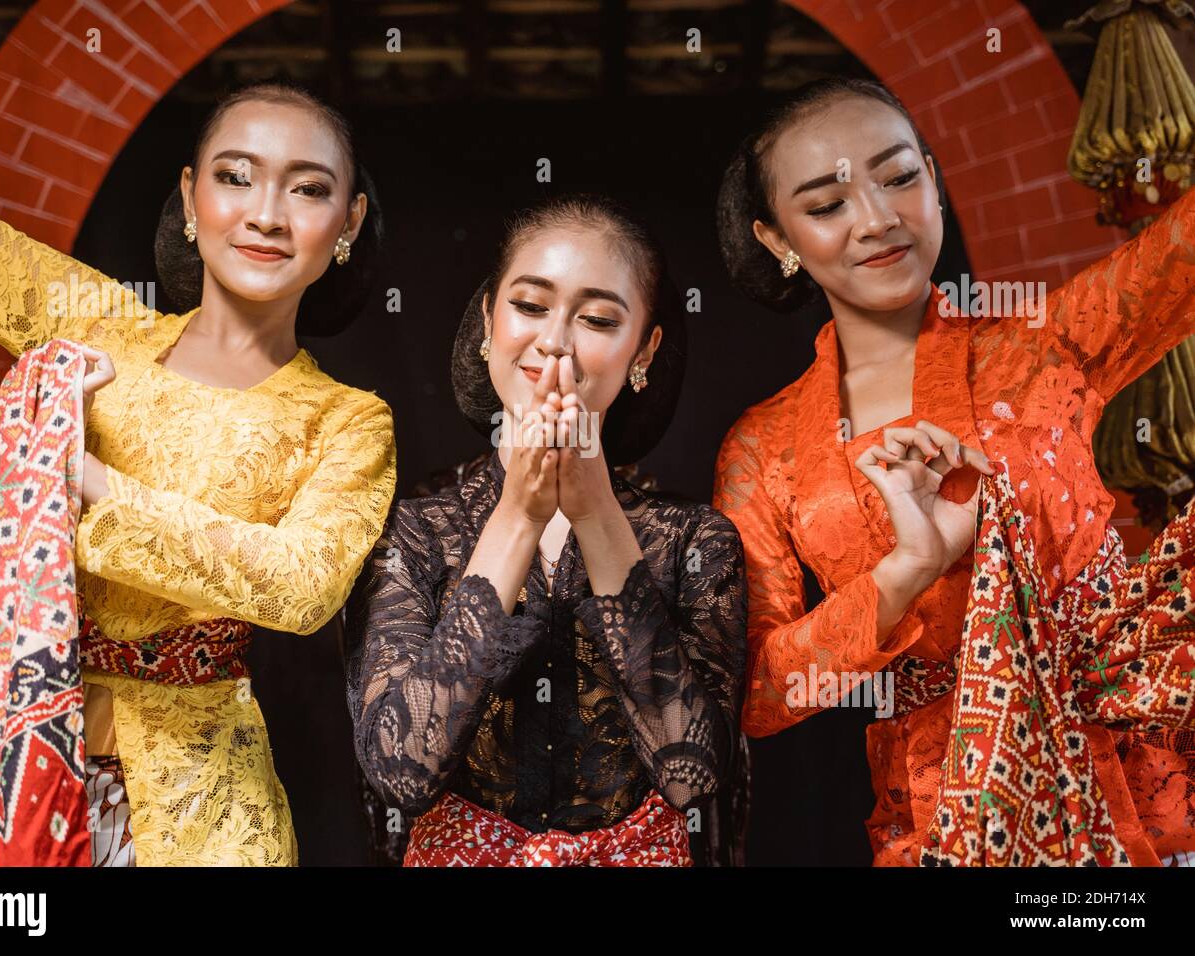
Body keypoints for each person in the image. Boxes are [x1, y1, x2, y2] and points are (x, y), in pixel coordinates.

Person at [0, 81, 396, 865]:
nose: (266, 213)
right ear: (190, 200)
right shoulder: (94, 324)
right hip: (13, 769)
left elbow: (301, 586)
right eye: (235, 177)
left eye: (307, 189)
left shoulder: (347, 419)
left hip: (206, 814)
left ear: (348, 224)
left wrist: (84, 474)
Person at [714, 76, 1195, 866]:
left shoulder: (1049, 342)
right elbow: (761, 692)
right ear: (778, 240)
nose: (877, 219)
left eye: (899, 176)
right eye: (827, 205)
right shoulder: (765, 445)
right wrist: (903, 573)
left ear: (934, 179)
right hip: (946, 816)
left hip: (1136, 776)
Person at [345, 195, 747, 866]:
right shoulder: (409, 535)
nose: (555, 340)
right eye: (530, 307)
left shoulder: (694, 540)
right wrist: (521, 513)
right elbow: (400, 770)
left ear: (644, 349)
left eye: (595, 319)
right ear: (487, 321)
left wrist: (594, 512)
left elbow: (692, 775)